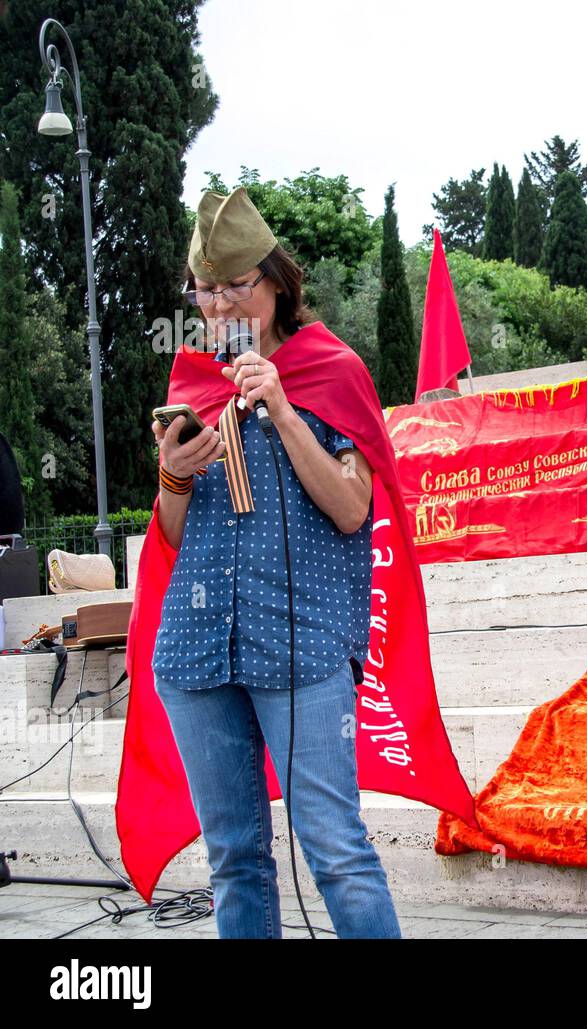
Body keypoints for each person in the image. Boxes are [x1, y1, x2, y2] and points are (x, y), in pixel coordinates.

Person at [149, 187, 401, 938]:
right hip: (198, 651)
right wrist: (173, 473)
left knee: (336, 850)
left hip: (302, 643)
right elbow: (171, 532)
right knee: (234, 859)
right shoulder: (190, 379)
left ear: (276, 282)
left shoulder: (332, 371)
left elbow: (355, 508)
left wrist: (284, 411)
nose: (220, 307)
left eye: (236, 286)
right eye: (206, 290)